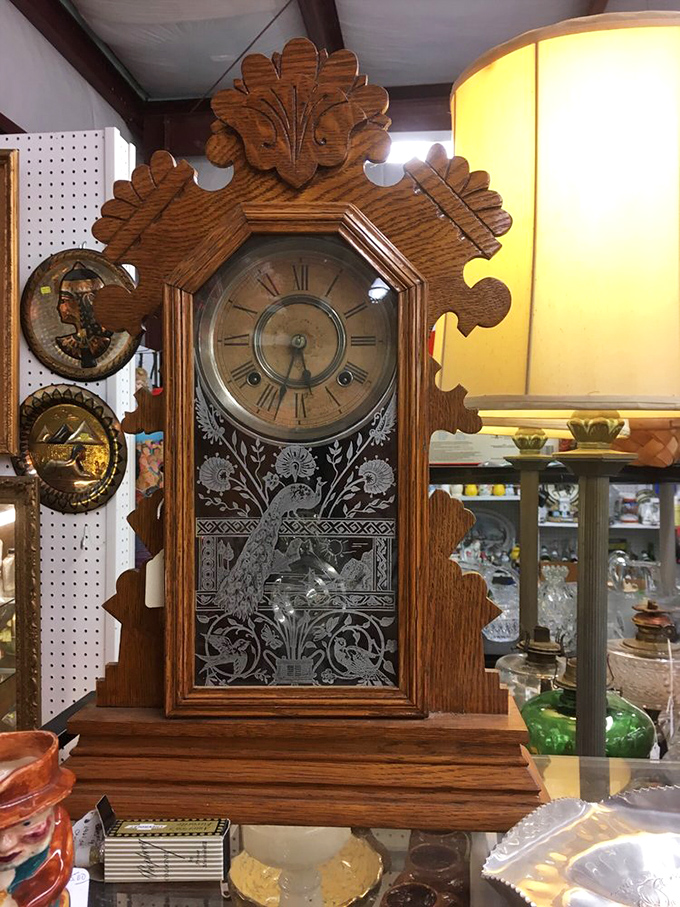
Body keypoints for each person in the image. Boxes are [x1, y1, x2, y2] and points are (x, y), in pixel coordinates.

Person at [55, 263, 112, 369]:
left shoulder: (102, 343)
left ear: (85, 303)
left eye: (64, 301)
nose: (59, 307)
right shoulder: (64, 344)